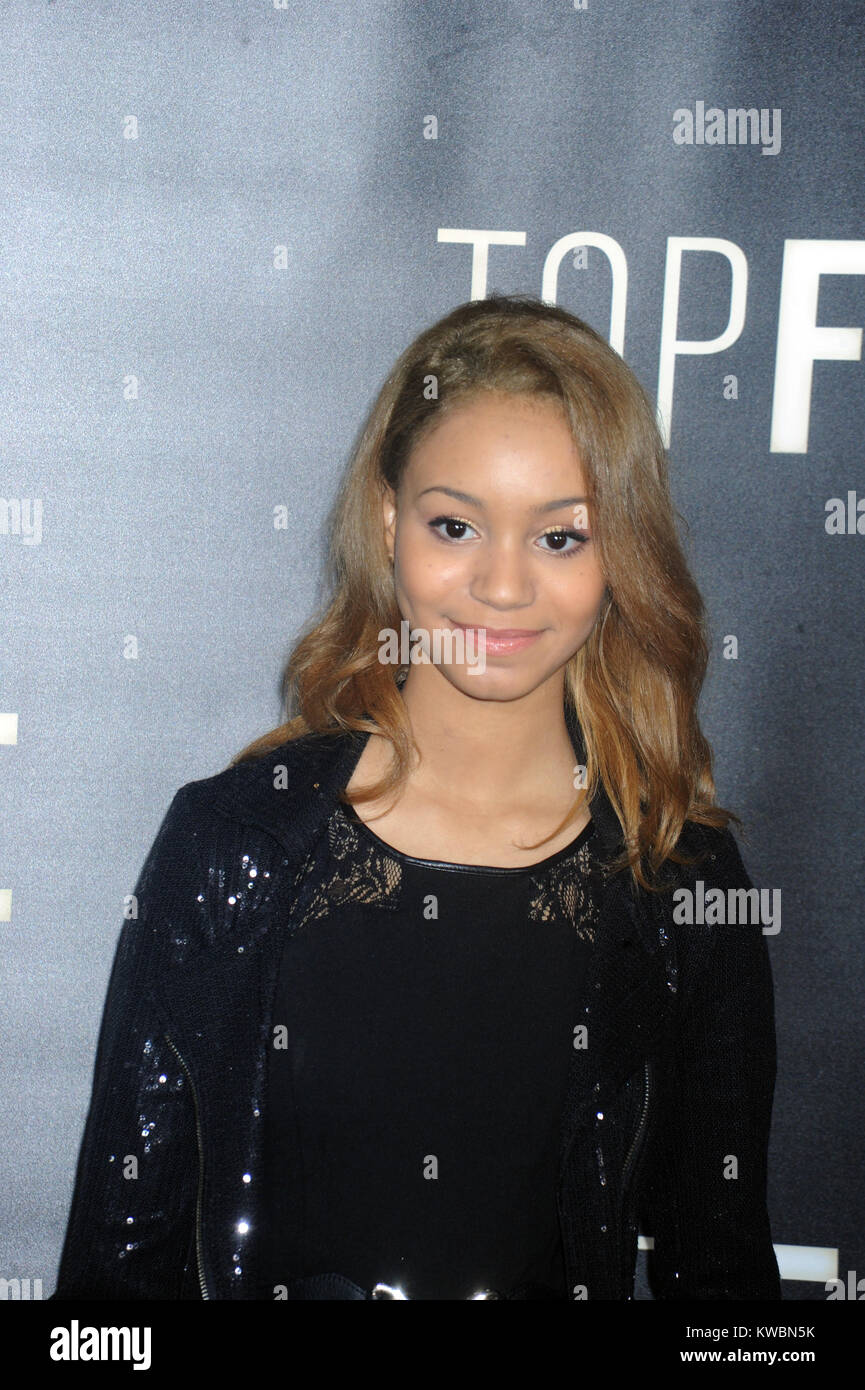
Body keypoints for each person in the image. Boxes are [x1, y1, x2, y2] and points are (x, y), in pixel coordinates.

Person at [52, 293, 781, 1300]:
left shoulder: (678, 885)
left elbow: (722, 1280)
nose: (503, 585)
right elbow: (111, 1284)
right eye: (455, 524)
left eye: (561, 537)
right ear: (388, 522)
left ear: (622, 555)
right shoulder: (235, 842)